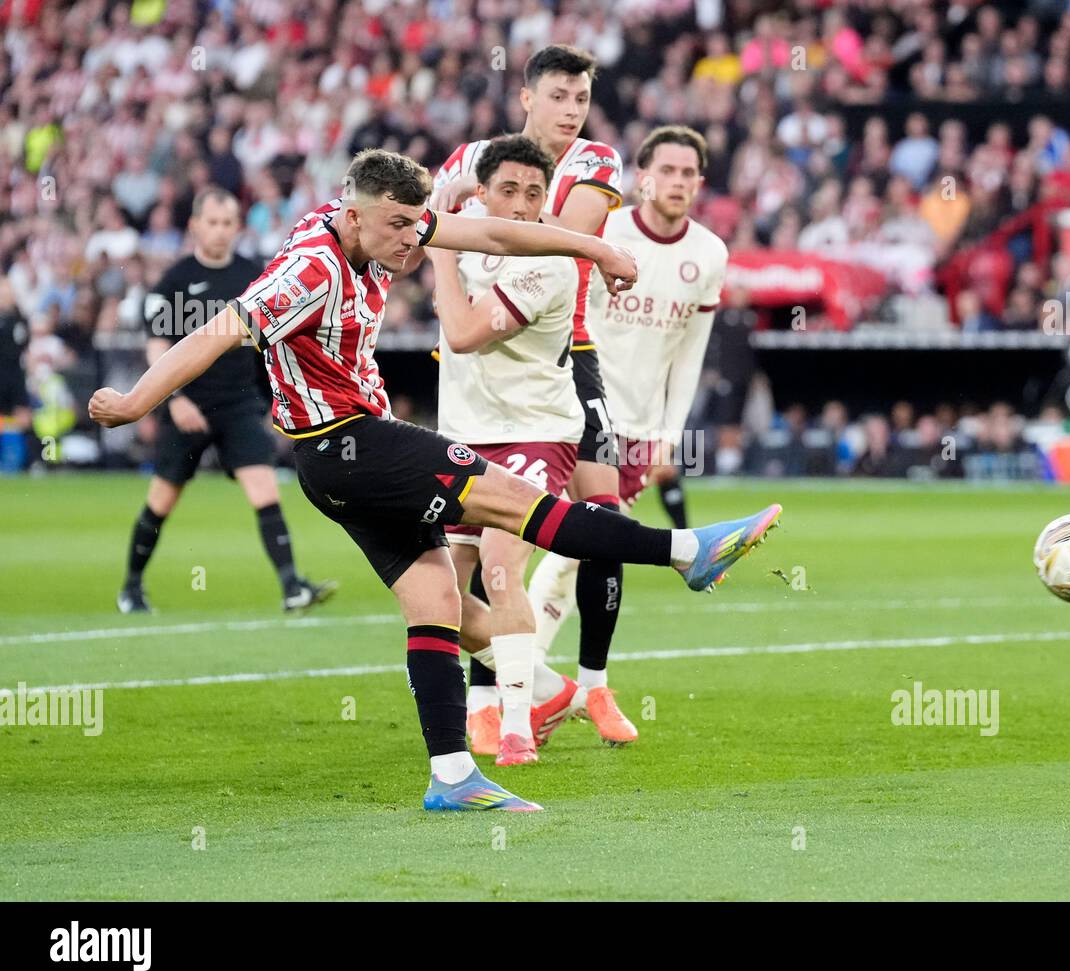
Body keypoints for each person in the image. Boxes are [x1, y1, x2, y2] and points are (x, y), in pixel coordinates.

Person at [89, 148, 782, 814]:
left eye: (416, 224)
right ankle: (689, 552)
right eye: (396, 226)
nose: (411, 241)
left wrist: (591, 247)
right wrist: (134, 400)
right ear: (354, 215)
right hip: (348, 443)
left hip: (334, 462)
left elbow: (490, 230)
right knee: (517, 503)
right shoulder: (309, 269)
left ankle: (453, 774)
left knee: (439, 601)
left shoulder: (389, 221)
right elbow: (219, 329)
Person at [430, 44, 634, 745]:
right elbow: (429, 219)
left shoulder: (596, 162)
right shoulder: (471, 156)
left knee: (601, 514)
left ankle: (595, 685)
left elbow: (559, 242)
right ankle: (500, 699)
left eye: (580, 99)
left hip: (563, 352)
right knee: (484, 544)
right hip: (478, 368)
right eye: (558, 97)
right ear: (526, 98)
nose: (572, 112)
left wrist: (468, 227)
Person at [530, 126, 729, 746]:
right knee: (551, 541)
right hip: (571, 409)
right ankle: (539, 686)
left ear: (699, 181)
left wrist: (668, 435)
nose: (677, 182)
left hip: (639, 431)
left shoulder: (710, 254)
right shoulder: (605, 230)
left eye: (688, 172)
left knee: (579, 555)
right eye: (666, 170)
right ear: (642, 177)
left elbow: (690, 354)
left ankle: (538, 688)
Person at [429, 134, 588, 765]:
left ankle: (515, 725)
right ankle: (546, 688)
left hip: (535, 431)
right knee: (439, 594)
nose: (520, 206)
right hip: (463, 434)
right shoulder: (469, 228)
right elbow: (398, 259)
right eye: (507, 191)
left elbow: (464, 334)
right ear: (483, 190)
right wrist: (441, 215)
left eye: (533, 193)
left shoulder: (545, 259)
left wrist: (441, 238)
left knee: (500, 567)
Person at [118, 187, 335, 614]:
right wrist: (174, 399)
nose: (219, 231)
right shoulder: (175, 281)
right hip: (187, 406)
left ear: (238, 226)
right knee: (162, 499)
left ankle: (293, 587)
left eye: (227, 223)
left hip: (238, 404)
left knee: (264, 488)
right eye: (211, 222)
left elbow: (273, 341)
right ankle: (131, 588)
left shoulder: (254, 275)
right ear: (195, 225)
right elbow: (157, 345)